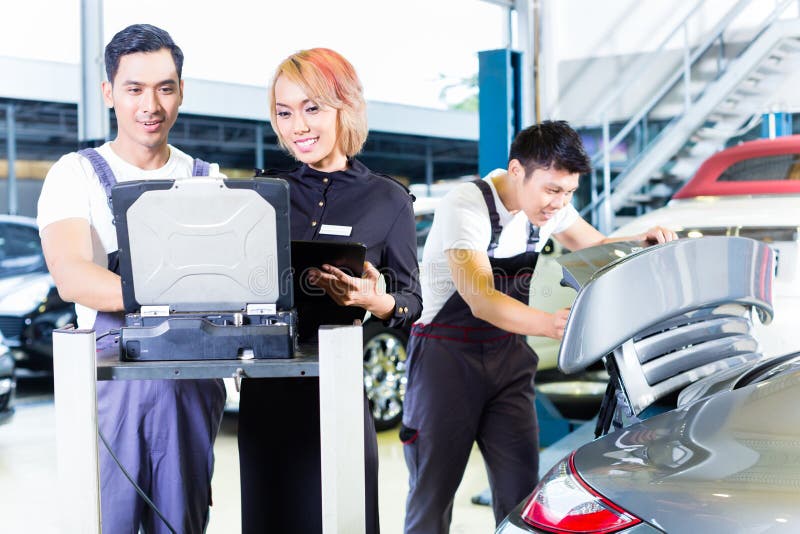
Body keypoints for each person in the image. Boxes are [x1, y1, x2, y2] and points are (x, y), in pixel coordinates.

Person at [401, 120, 678, 533]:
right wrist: (553, 325)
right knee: (432, 495)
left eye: (568, 192)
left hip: (509, 362)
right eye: (552, 190)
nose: (559, 203)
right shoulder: (467, 205)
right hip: (445, 363)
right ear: (517, 171)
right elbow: (480, 298)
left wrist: (642, 242)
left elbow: (596, 247)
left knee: (521, 494)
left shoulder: (550, 208)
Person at [37, 24, 226, 533]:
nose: (151, 104)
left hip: (191, 379)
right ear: (109, 93)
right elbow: (74, 276)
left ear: (181, 92)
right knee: (108, 519)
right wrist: (179, 296)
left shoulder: (209, 183)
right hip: (108, 380)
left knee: (182, 520)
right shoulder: (73, 175)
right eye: (135, 88)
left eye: (165, 88)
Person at [237, 47, 422, 534]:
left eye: (312, 107)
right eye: (284, 111)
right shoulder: (260, 194)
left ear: (346, 106)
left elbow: (410, 302)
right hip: (265, 398)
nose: (297, 125)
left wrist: (372, 300)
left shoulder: (389, 199)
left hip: (337, 394)